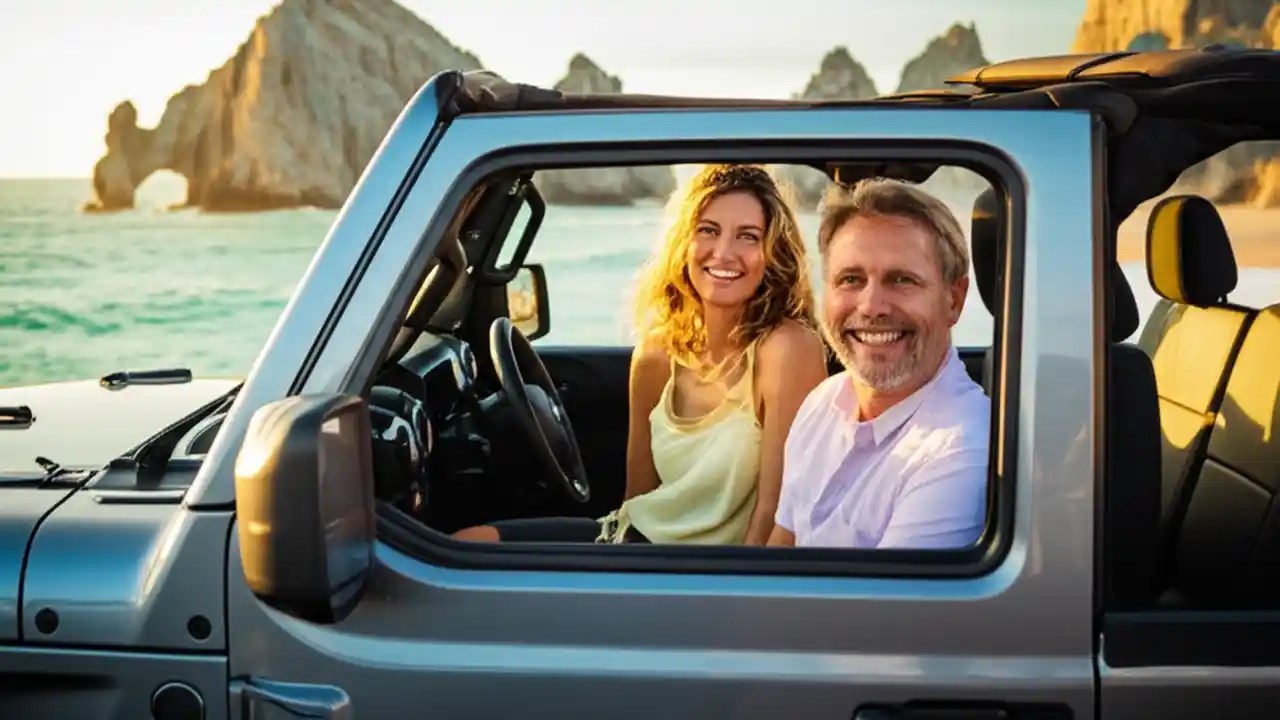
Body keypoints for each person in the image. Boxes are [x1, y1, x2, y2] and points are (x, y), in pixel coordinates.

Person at [455, 163, 829, 545]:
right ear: (683, 244)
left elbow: (779, 514)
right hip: (638, 550)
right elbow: (637, 498)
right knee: (466, 545)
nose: (724, 252)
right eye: (708, 231)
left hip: (716, 578)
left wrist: (734, 599)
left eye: (748, 237)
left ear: (772, 254)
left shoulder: (786, 348)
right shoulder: (657, 353)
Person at [767, 178, 991, 550]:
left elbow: (880, 609)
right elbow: (782, 548)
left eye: (901, 280)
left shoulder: (960, 451)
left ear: (954, 300)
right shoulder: (824, 401)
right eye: (851, 279)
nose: (871, 306)